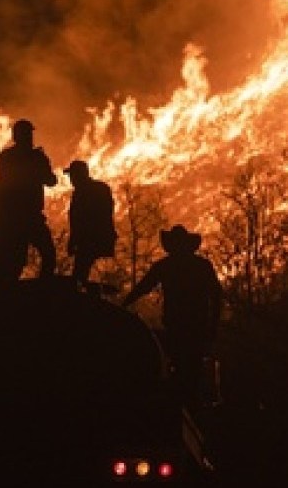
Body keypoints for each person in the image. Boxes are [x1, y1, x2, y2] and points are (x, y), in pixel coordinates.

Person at [121, 225, 223, 406]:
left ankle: (184, 404)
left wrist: (124, 304)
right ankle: (190, 405)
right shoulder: (201, 266)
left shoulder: (166, 266)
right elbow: (216, 296)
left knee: (182, 366)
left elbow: (144, 286)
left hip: (180, 326)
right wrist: (213, 325)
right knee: (192, 368)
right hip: (194, 326)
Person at [0, 119, 58, 284]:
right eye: (27, 134)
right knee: (45, 254)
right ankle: (40, 288)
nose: (30, 137)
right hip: (25, 216)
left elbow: (5, 179)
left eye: (29, 134)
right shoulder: (34, 158)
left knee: (23, 257)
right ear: (19, 136)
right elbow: (50, 180)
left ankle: (20, 288)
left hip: (16, 217)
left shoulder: (7, 157)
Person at [64, 160, 117, 289]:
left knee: (79, 274)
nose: (71, 179)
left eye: (72, 175)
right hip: (97, 238)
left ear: (79, 175)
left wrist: (74, 240)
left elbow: (80, 220)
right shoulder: (100, 188)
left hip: (91, 239)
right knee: (81, 271)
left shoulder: (84, 193)